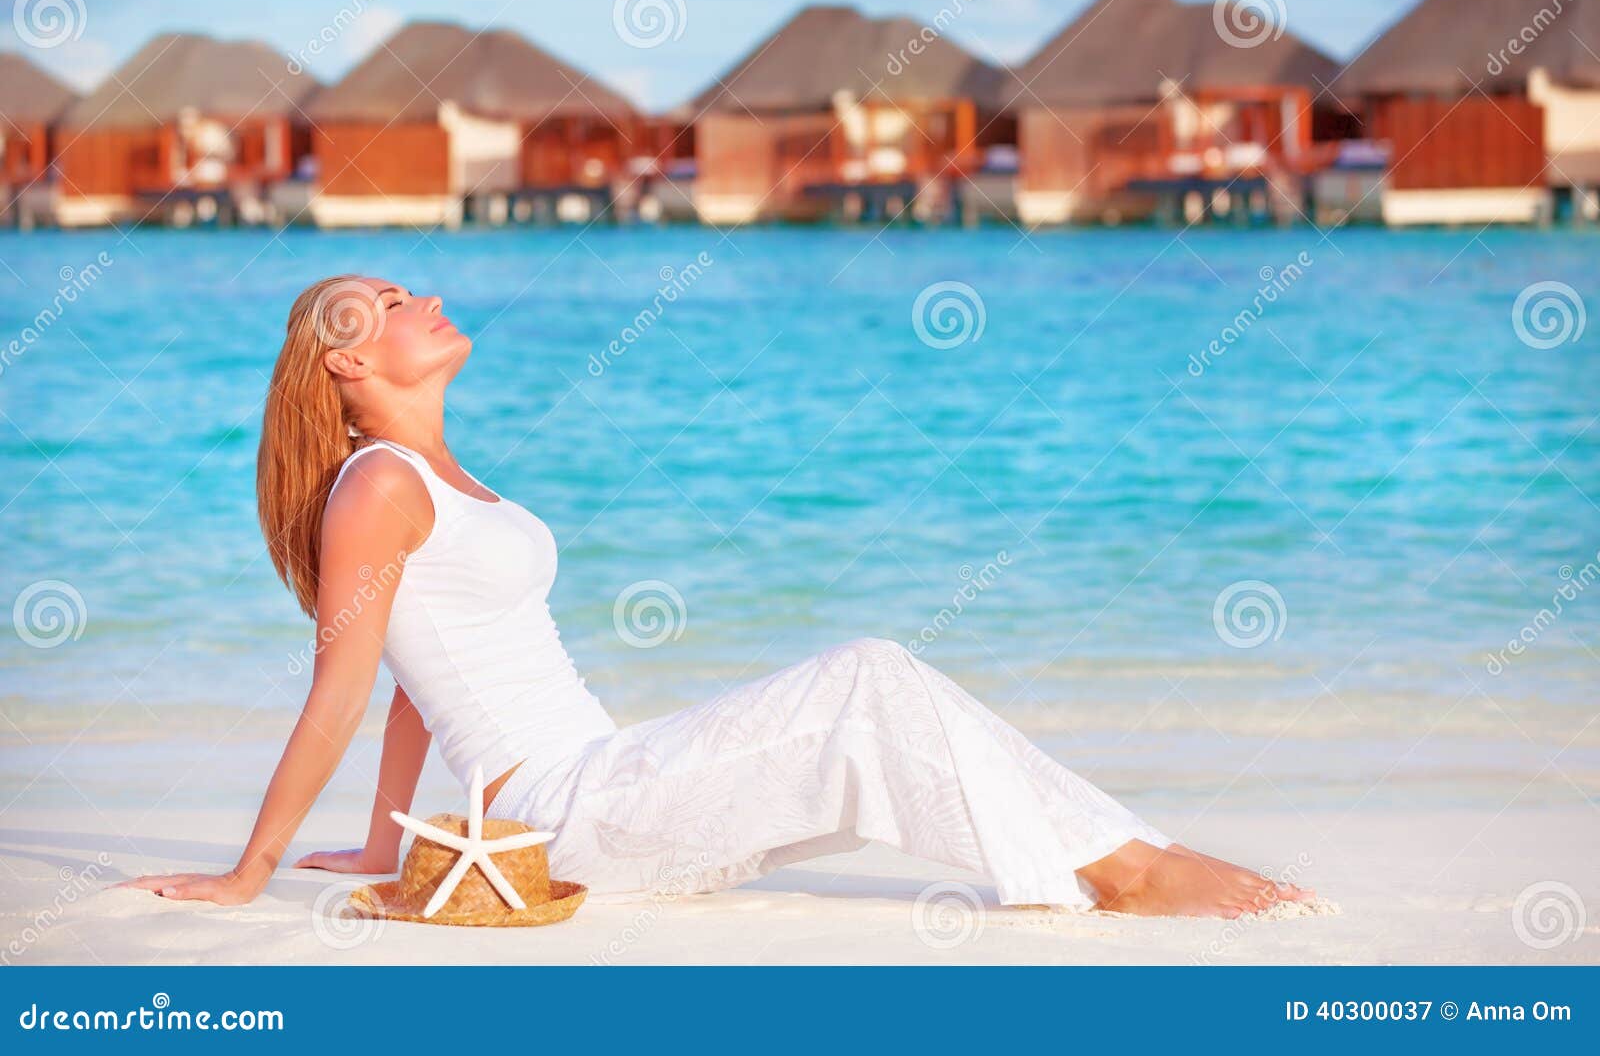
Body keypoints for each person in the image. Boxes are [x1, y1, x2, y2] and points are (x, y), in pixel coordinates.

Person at [121, 276, 1313, 918]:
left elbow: (414, 683)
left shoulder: (444, 481)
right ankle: (1127, 870)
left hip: (600, 777)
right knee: (870, 672)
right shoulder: (375, 485)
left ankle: (1129, 857)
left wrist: (388, 840)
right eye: (383, 304)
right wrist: (251, 871)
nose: (418, 299)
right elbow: (339, 687)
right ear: (348, 362)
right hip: (561, 808)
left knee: (876, 687)